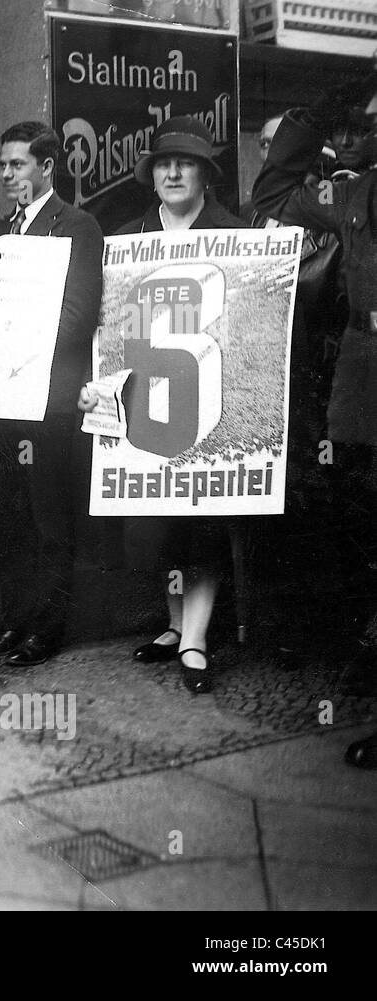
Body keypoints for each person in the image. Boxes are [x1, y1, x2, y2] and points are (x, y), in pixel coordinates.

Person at [79, 115, 246, 694]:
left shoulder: (237, 233)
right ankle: (174, 626)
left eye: (186, 163)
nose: (173, 173)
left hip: (209, 396)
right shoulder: (127, 239)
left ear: (205, 174)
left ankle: (196, 639)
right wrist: (97, 386)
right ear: (151, 177)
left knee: (201, 520)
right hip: (148, 399)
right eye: (164, 165)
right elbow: (109, 326)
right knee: (153, 526)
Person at [252, 71, 377, 698]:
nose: (351, 138)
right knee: (358, 511)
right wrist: (319, 111)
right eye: (343, 129)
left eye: (364, 127)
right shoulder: (340, 196)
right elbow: (273, 194)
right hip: (358, 374)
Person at [0, 121, 103, 668]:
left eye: (18, 164)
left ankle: (44, 631)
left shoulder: (77, 226)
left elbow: (77, 318)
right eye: (2, 165)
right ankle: (13, 622)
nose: (6, 174)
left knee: (49, 518)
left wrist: (11, 335)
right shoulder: (2, 231)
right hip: (3, 398)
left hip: (50, 397)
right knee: (9, 515)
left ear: (48, 168)